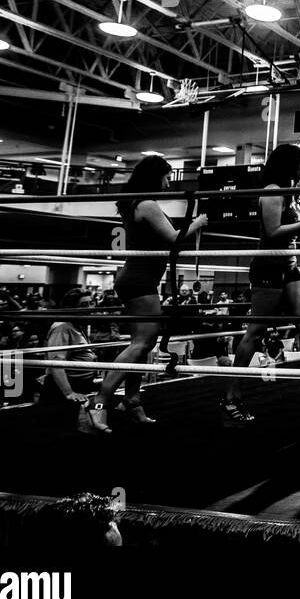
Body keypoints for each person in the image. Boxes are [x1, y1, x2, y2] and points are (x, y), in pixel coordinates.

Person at [81, 155, 208, 434]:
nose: (167, 183)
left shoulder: (139, 204)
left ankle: (132, 400)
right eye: (165, 177)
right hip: (140, 281)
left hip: (139, 279)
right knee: (142, 343)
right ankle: (99, 402)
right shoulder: (147, 204)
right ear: (154, 177)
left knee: (143, 343)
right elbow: (174, 237)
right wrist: (198, 222)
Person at [220, 144, 300, 426]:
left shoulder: (291, 193)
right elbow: (274, 232)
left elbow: (293, 227)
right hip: (269, 266)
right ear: (289, 164)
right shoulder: (274, 191)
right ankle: (230, 397)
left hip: (289, 267)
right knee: (255, 331)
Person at [40, 316, 98, 425]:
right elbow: (56, 361)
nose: (89, 308)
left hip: (79, 384)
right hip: (63, 388)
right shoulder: (62, 326)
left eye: (91, 303)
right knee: (61, 429)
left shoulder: (77, 324)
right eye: (84, 304)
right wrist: (69, 393)